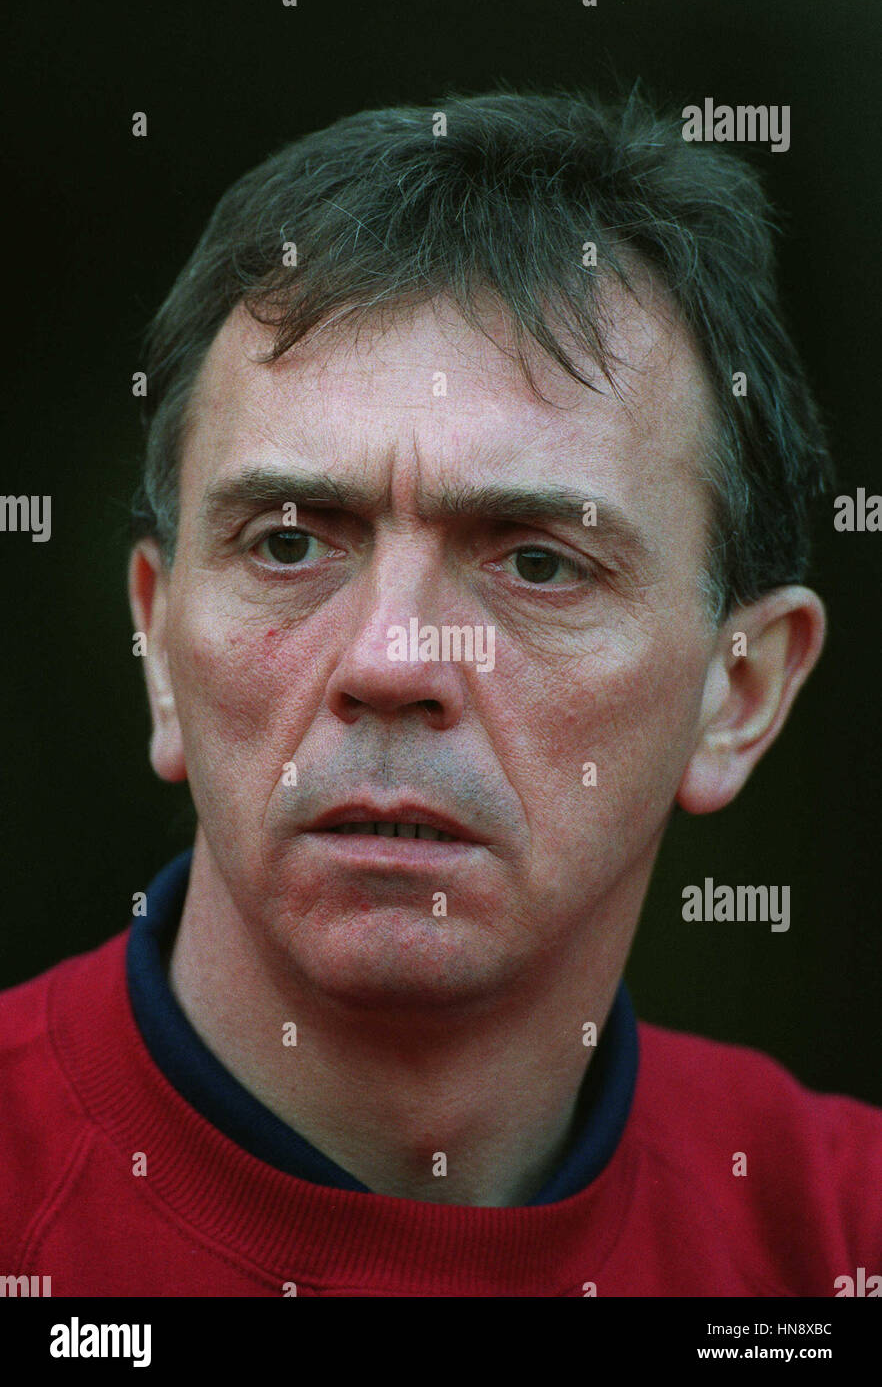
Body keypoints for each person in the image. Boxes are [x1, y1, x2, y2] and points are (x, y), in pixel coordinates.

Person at [2, 88, 880, 1299]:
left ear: (739, 692)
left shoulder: (839, 1240)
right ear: (155, 642)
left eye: (537, 563)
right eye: (291, 543)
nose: (390, 663)